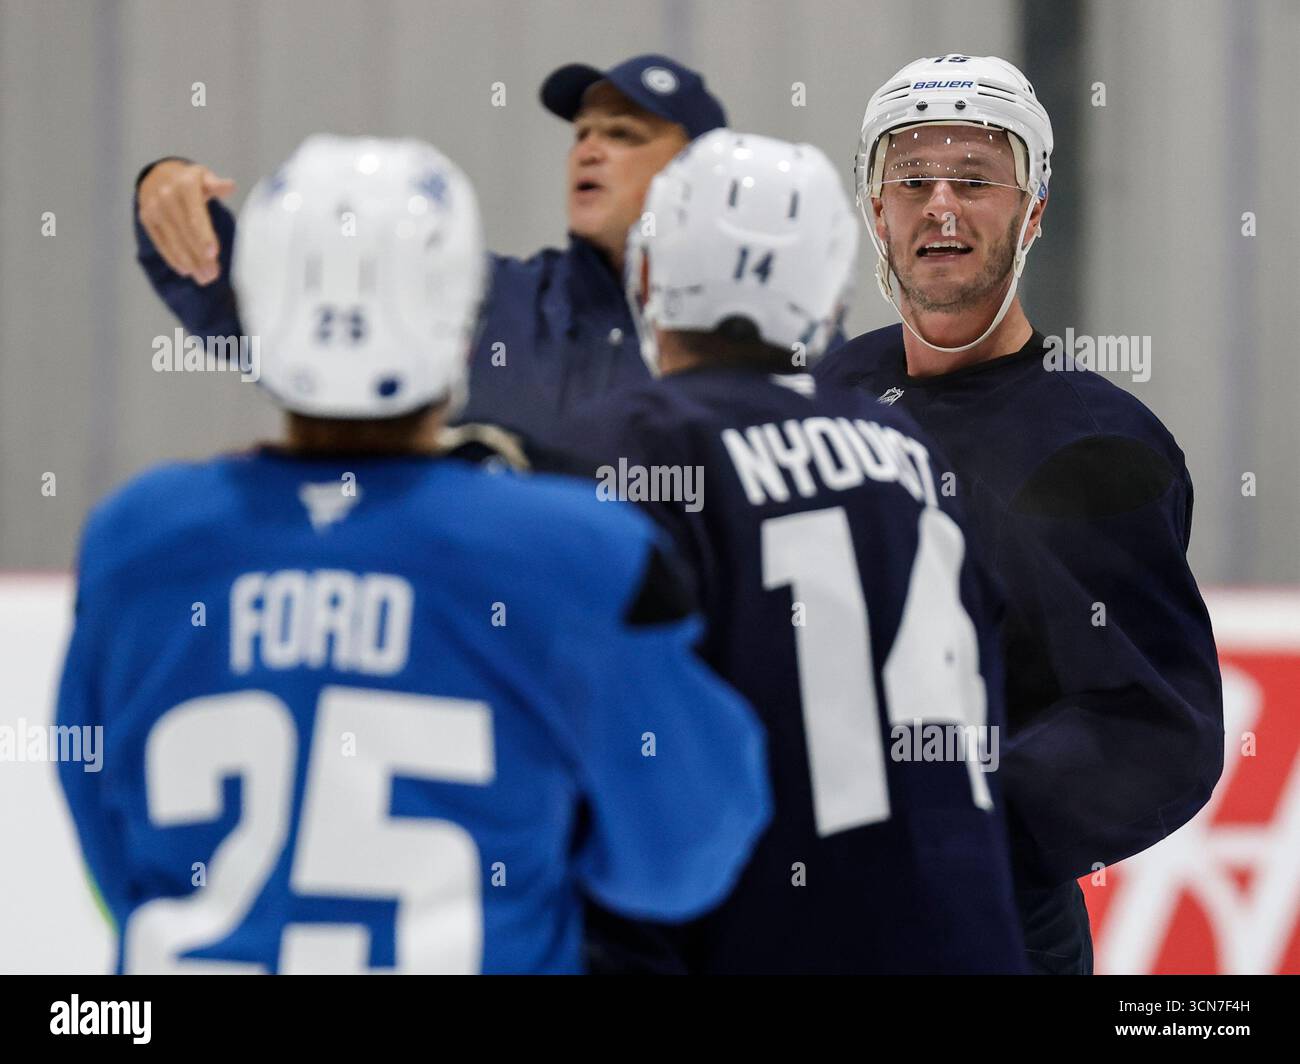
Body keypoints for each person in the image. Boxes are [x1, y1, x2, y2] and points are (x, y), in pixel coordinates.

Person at [56, 134, 771, 975]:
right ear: (460, 317)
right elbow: (682, 860)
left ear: (261, 304)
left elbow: (107, 830)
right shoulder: (575, 553)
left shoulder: (139, 541)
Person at [556, 130, 1027, 973]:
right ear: (829, 290)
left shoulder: (630, 446)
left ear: (652, 274)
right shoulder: (904, 449)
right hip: (962, 938)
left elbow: (609, 758)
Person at [815, 53, 1224, 974]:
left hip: (978, 928)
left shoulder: (1098, 446)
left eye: (977, 179)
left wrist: (953, 829)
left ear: (1033, 211)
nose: (941, 206)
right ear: (876, 211)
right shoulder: (829, 389)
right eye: (912, 179)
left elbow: (1157, 726)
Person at [131, 55, 728, 447]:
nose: (589, 150)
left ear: (700, 167)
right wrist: (167, 194)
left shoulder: (750, 341)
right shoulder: (486, 299)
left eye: (623, 134)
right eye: (582, 135)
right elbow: (257, 313)